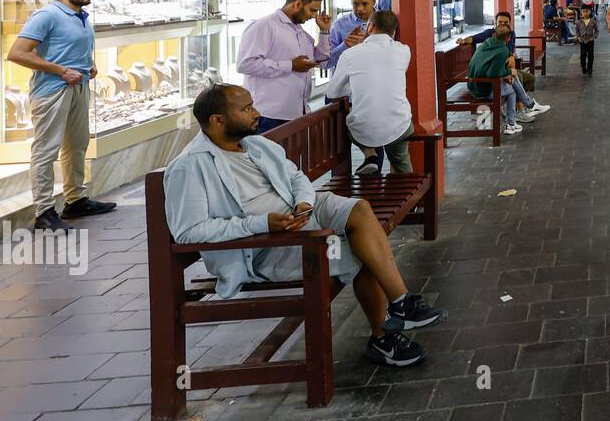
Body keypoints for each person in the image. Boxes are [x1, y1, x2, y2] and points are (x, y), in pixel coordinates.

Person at [164, 84, 445, 367]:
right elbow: (188, 232)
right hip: (263, 247)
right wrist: (262, 224)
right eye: (247, 108)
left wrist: (303, 203)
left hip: (298, 215)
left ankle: (401, 302)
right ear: (217, 120)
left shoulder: (256, 145)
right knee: (357, 250)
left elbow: (297, 178)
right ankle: (383, 338)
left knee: (358, 209)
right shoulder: (190, 166)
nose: (256, 113)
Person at [6, 0, 115, 231]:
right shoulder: (47, 15)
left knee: (77, 144)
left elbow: (72, 48)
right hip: (53, 90)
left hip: (79, 87)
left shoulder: (81, 16)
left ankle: (75, 200)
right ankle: (43, 211)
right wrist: (61, 71)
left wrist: (89, 65)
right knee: (46, 150)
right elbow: (17, 53)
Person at [325, 10, 414, 176]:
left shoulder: (350, 54)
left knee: (352, 119)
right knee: (401, 161)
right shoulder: (404, 50)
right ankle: (413, 194)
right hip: (399, 124)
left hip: (364, 129)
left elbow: (333, 92)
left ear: (370, 26)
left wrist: (355, 86)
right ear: (393, 31)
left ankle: (370, 155)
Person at [235, 0, 332, 133]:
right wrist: (290, 66)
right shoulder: (265, 25)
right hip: (269, 115)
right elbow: (245, 64)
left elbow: (320, 60)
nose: (314, 16)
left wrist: (324, 31)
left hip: (297, 112)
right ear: (297, 4)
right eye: (312, 10)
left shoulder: (299, 31)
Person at [460, 11, 549, 120]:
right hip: (491, 77)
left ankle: (518, 108)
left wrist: (511, 62)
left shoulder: (510, 34)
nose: (502, 25)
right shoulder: (490, 35)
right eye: (500, 22)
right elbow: (474, 38)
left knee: (530, 79)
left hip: (500, 70)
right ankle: (522, 109)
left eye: (505, 22)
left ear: (510, 24)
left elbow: (510, 54)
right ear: (495, 23)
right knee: (516, 78)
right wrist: (464, 40)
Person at [466, 29, 522, 135]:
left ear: (494, 35)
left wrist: (506, 75)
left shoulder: (485, 44)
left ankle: (526, 107)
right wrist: (510, 71)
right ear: (508, 39)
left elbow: (490, 68)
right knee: (512, 89)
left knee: (512, 80)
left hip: (472, 86)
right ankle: (511, 123)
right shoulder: (502, 49)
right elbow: (492, 73)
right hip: (483, 90)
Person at [327, 0, 376, 72]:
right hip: (346, 82)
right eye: (355, 4)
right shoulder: (339, 25)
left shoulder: (385, 22)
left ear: (374, 1)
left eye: (365, 4)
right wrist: (345, 45)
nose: (360, 8)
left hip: (375, 80)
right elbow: (327, 63)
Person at [576, 5, 598, 76]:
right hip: (582, 41)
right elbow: (577, 31)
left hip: (590, 40)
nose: (585, 13)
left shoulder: (593, 22)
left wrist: (594, 37)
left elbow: (597, 31)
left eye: (587, 11)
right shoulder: (579, 22)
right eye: (583, 11)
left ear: (590, 12)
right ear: (581, 13)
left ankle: (590, 69)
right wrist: (578, 37)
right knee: (583, 55)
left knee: (591, 55)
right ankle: (583, 68)